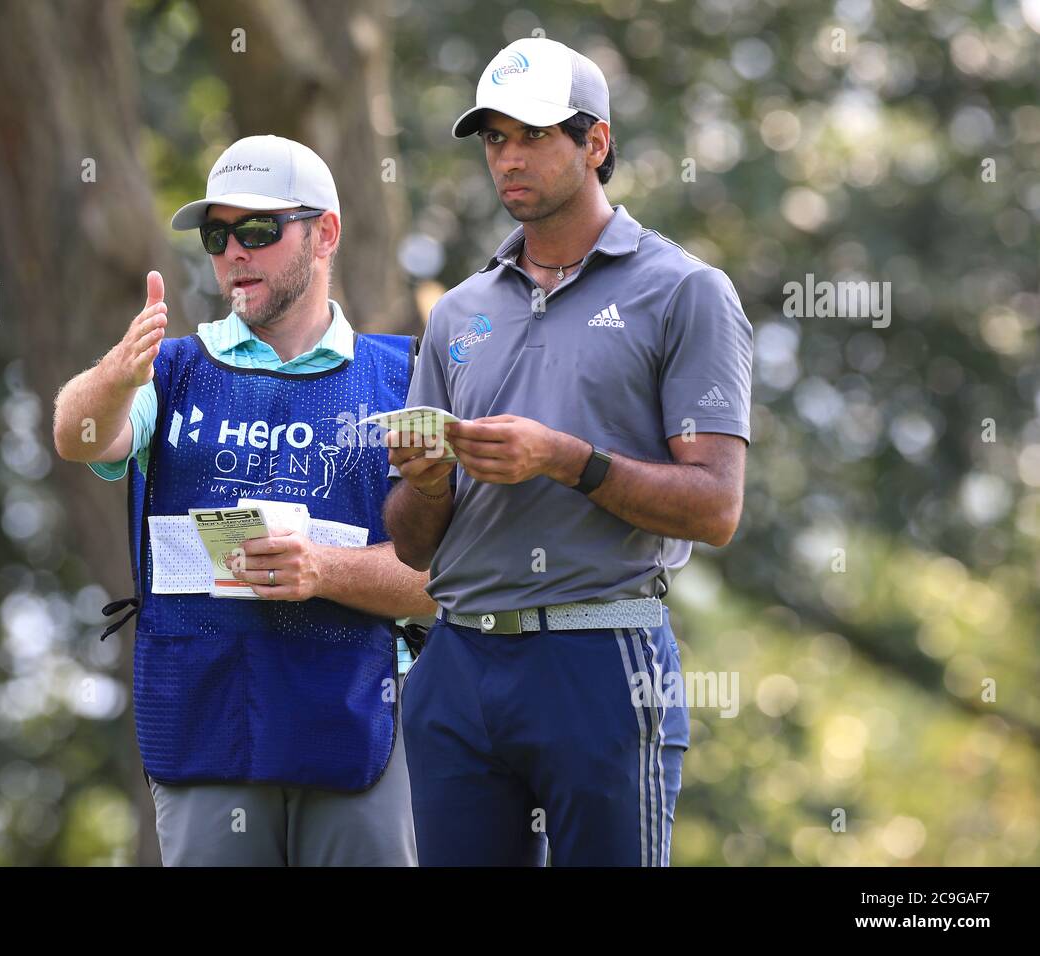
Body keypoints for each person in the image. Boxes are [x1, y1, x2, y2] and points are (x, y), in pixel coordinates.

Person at [385, 37, 753, 866]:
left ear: (596, 142)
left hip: (603, 655)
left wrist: (567, 459)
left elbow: (716, 507)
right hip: (457, 663)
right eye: (494, 139)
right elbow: (412, 544)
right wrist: (430, 482)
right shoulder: (458, 311)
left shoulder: (685, 291)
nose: (508, 158)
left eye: (533, 135)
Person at [54, 135, 433, 866]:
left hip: (359, 733)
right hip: (201, 729)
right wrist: (116, 371)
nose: (233, 252)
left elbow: (438, 584)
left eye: (258, 230)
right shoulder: (167, 369)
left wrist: (321, 571)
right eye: (217, 234)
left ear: (325, 234)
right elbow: (77, 434)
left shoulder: (404, 376)